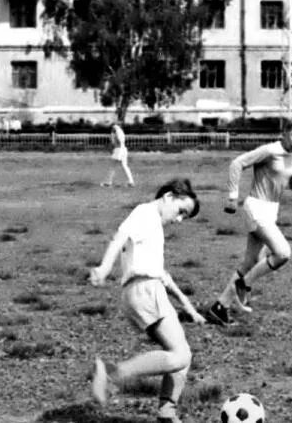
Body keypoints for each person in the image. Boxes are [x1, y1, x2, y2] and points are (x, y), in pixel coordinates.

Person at [88, 178, 205, 423]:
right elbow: (119, 237)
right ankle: (112, 374)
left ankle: (167, 412)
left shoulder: (153, 227)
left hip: (145, 291)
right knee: (180, 356)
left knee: (182, 354)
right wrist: (104, 267)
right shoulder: (145, 213)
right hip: (145, 290)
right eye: (181, 211)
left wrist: (189, 308)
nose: (179, 219)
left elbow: (165, 276)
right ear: (170, 197)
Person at [206, 118, 292, 326]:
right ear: (284, 133)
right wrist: (232, 195)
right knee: (282, 253)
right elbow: (237, 163)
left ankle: (219, 307)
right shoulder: (270, 150)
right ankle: (244, 284)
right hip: (255, 207)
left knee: (250, 262)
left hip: (271, 210)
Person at [101, 123, 135, 187]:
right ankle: (131, 181)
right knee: (124, 166)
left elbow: (116, 142)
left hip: (119, 150)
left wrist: (113, 137)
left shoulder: (116, 132)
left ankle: (108, 182)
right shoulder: (120, 132)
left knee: (113, 166)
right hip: (123, 149)